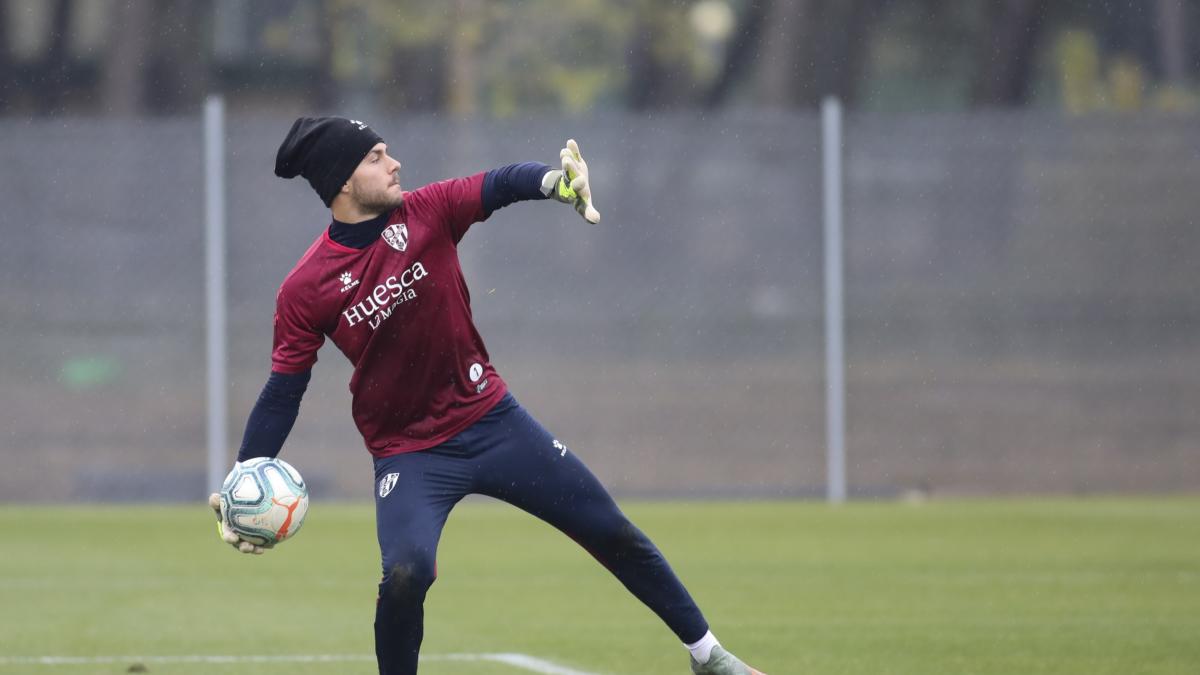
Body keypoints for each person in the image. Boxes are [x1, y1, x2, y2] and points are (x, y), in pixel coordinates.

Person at [207, 116, 766, 675]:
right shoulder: (306, 287)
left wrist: (554, 182)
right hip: (409, 453)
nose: (394, 162)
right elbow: (284, 389)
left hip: (492, 420)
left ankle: (708, 656)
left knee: (607, 526)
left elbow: (498, 183)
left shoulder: (428, 211)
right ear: (343, 182)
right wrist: (243, 482)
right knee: (407, 574)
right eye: (375, 157)